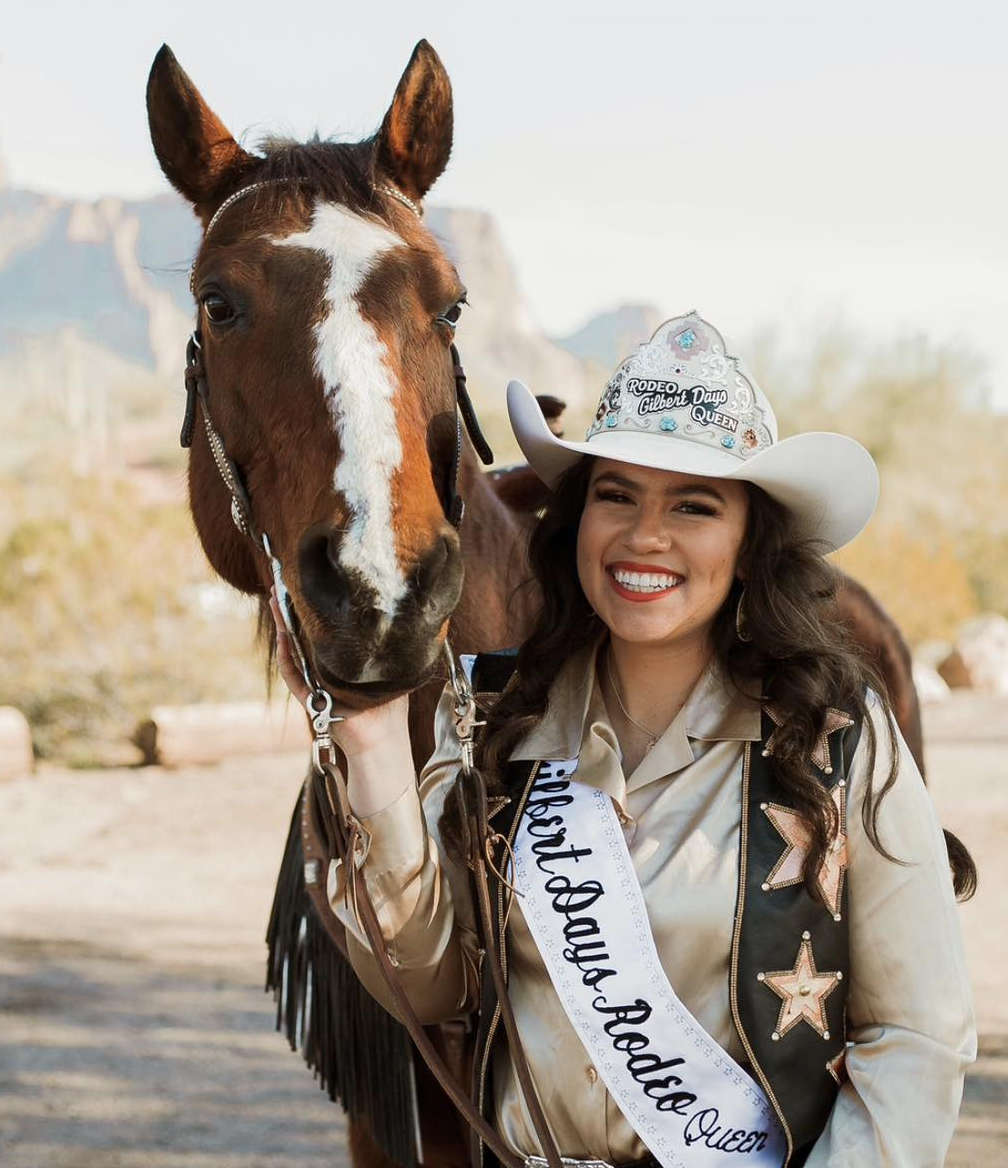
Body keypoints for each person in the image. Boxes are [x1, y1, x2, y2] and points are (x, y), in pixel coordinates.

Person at [273, 313, 976, 1167]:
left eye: (694, 505)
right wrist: (376, 748)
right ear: (577, 522)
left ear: (749, 544)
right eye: (616, 495)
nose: (645, 535)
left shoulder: (837, 738)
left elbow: (916, 1036)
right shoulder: (498, 720)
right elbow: (427, 987)